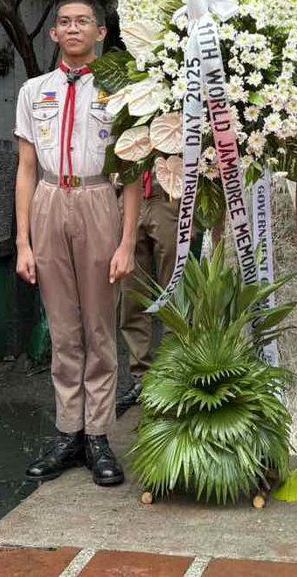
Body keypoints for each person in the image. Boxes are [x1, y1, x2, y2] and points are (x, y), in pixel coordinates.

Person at [15, 0, 141, 486]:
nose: (72, 29)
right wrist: (23, 243)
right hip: (49, 199)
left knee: (99, 328)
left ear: (101, 32)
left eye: (82, 22)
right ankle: (68, 432)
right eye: (64, 22)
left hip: (97, 201)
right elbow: (26, 170)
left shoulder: (124, 90)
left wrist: (128, 242)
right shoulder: (33, 91)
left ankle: (99, 436)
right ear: (53, 35)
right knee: (64, 330)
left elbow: (130, 170)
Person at [115, 168, 180, 414]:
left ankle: (169, 375)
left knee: (173, 289)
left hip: (169, 192)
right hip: (128, 189)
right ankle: (141, 376)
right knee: (131, 290)